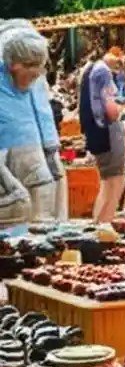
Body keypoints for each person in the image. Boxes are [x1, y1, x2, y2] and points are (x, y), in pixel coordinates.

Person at [0, 20, 63, 222]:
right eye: (28, 65)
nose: (35, 72)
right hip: (9, 150)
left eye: (39, 66)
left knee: (42, 203)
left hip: (32, 147)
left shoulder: (36, 82)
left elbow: (43, 111)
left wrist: (51, 148)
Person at [81, 48, 125, 223]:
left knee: (107, 181)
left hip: (95, 133)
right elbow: (111, 111)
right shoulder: (103, 72)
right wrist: (120, 110)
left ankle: (98, 226)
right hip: (107, 133)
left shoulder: (89, 70)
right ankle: (104, 225)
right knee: (116, 181)